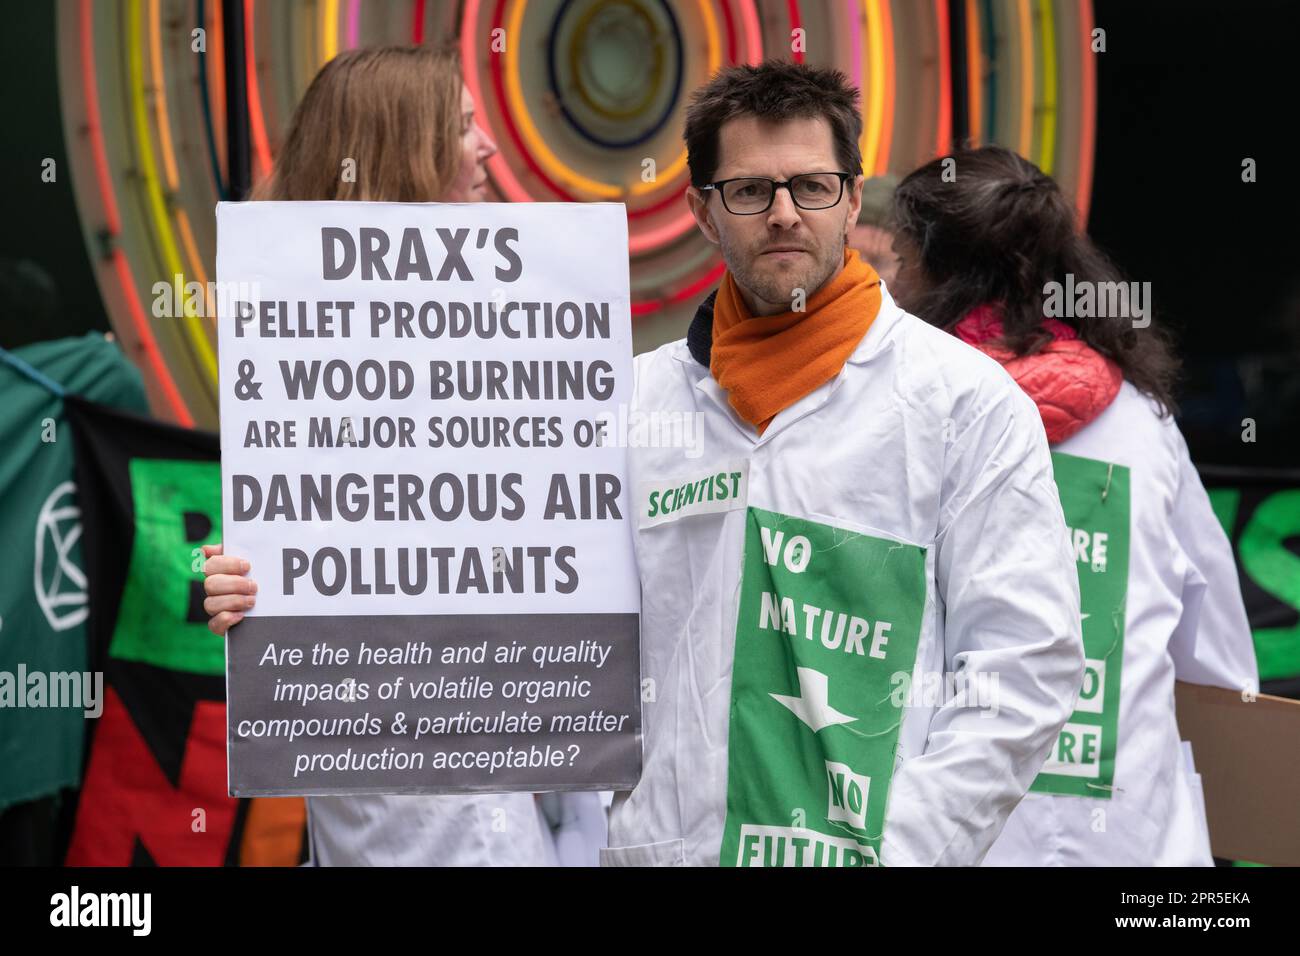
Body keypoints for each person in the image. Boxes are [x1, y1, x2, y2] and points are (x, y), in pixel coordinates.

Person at [601, 61, 1085, 867]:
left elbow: (1022, 667)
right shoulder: (636, 405)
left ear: (855, 200)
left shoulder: (964, 402)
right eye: (751, 191)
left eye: (813, 187)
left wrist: (897, 851)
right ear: (701, 211)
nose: (785, 214)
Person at [202, 44, 600, 866]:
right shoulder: (294, 362)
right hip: (398, 832)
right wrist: (237, 586)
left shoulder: (538, 330)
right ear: (400, 154)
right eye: (462, 128)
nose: (491, 148)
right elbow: (287, 572)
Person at [887, 145, 1259, 865]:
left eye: (902, 259)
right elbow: (1218, 668)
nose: (890, 282)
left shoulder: (899, 423)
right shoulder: (1144, 426)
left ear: (943, 275)